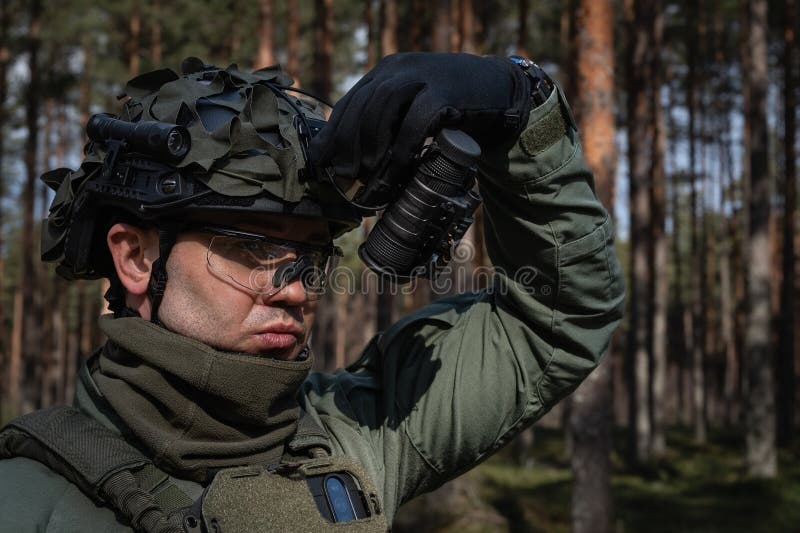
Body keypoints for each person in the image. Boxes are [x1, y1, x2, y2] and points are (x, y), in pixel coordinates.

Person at [0, 53, 624, 532]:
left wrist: (522, 109)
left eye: (312, 253)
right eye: (251, 244)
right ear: (136, 258)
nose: (296, 290)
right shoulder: (24, 500)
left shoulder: (365, 434)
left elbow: (557, 317)